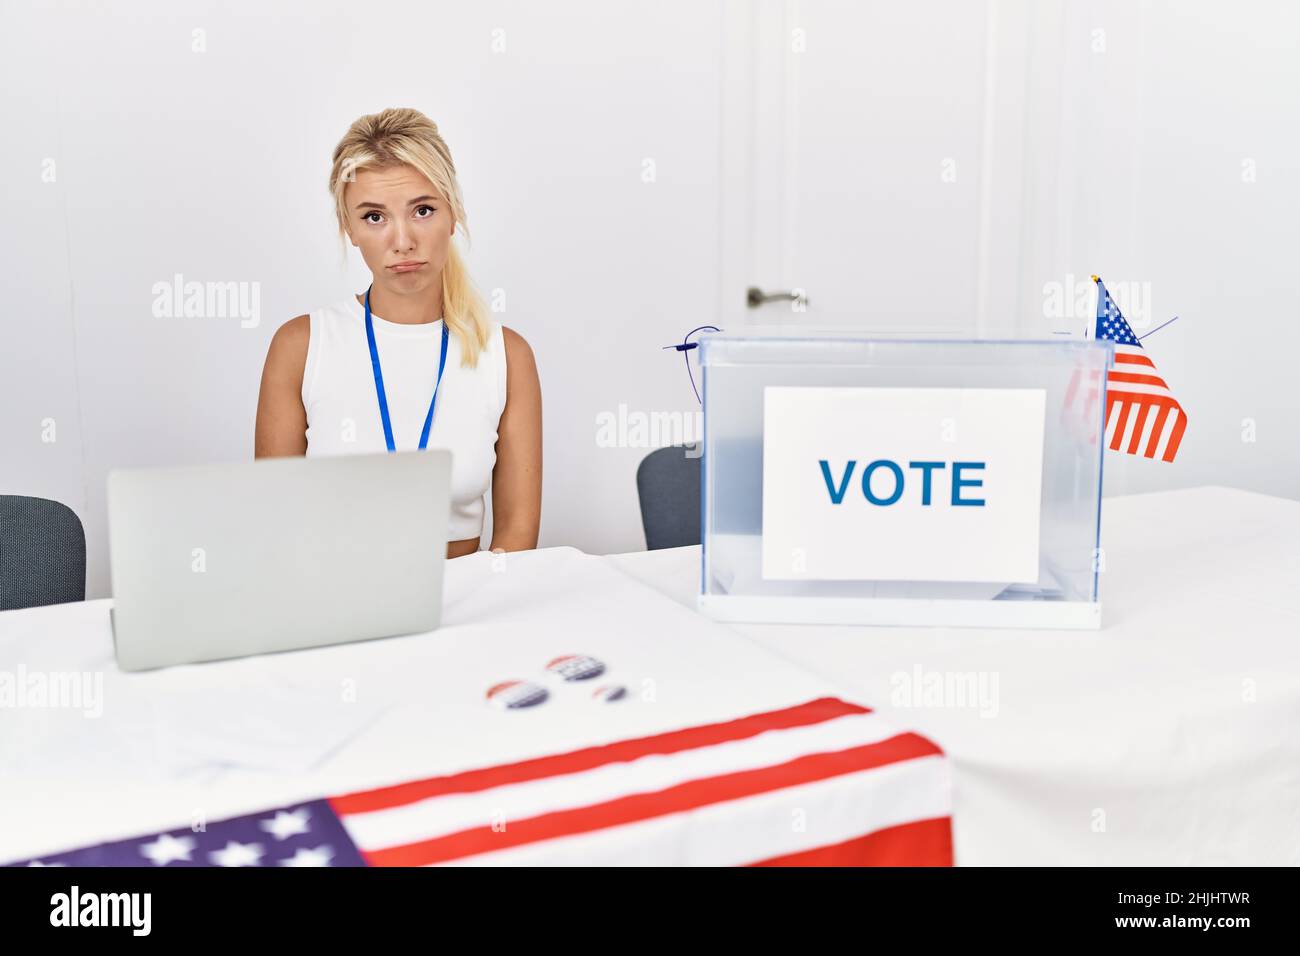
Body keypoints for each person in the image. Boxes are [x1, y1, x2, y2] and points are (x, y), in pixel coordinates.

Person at [255, 107, 541, 559]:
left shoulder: (506, 355)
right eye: (374, 217)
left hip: (467, 605)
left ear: (454, 214)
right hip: (335, 610)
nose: (403, 240)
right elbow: (274, 525)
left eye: (423, 210)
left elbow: (518, 533)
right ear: (348, 228)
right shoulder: (301, 346)